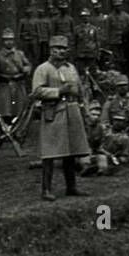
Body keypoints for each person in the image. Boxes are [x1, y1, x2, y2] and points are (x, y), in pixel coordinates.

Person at [31, 34, 90, 199]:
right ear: (51, 50)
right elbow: (36, 91)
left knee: (71, 151)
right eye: (57, 49)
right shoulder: (43, 69)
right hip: (54, 111)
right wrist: (58, 91)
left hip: (72, 110)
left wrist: (84, 107)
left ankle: (71, 187)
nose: (60, 52)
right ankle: (46, 190)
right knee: (50, 152)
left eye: (63, 49)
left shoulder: (70, 68)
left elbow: (80, 89)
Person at [0, 29, 31, 126]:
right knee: (5, 110)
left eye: (11, 39)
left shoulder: (19, 54)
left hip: (18, 84)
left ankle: (18, 130)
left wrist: (26, 69)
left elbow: (27, 65)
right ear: (3, 41)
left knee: (19, 109)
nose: (9, 42)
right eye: (6, 40)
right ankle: (5, 129)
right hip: (5, 85)